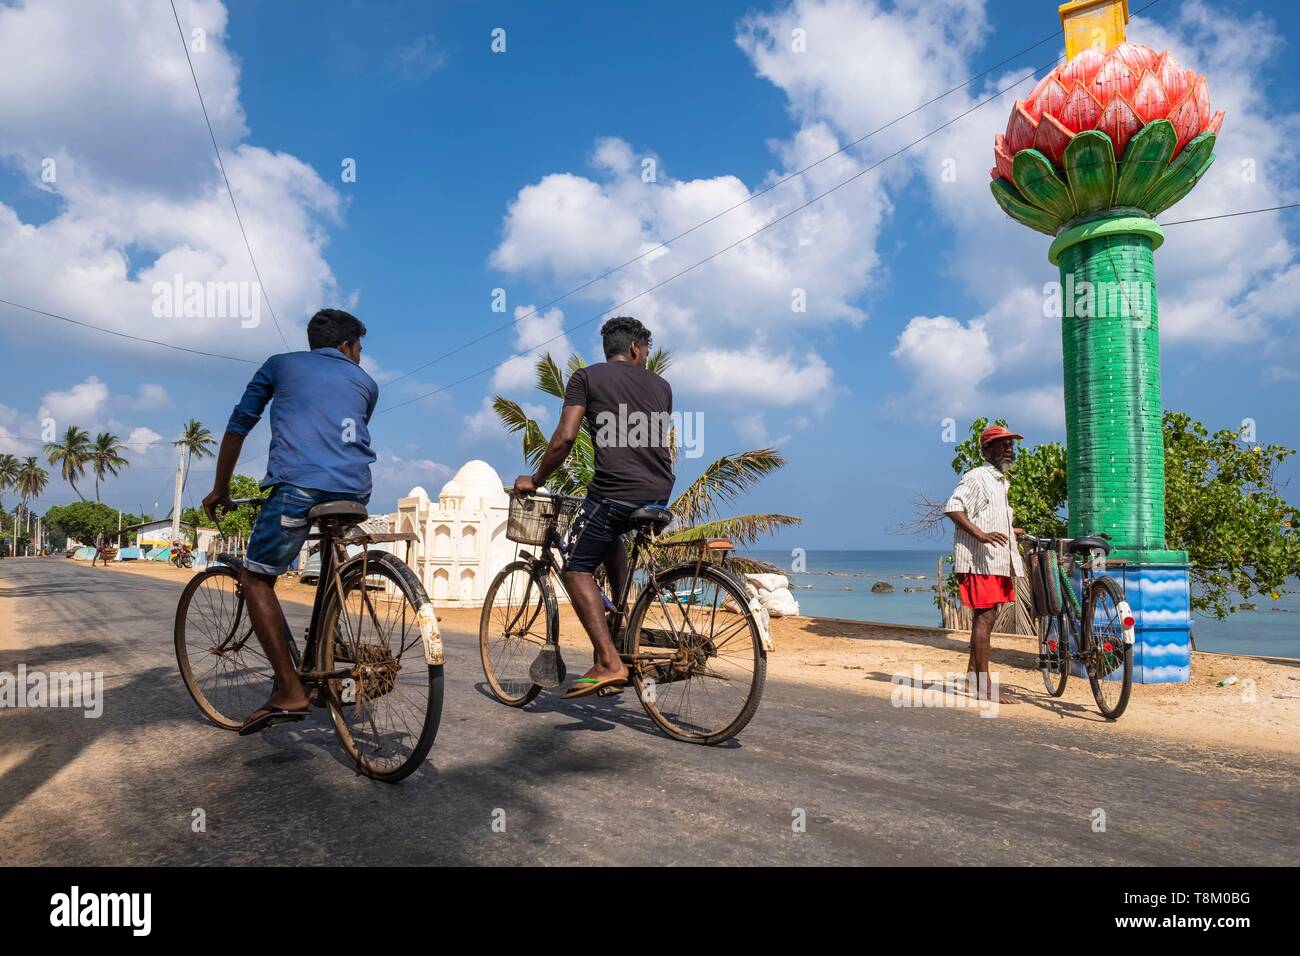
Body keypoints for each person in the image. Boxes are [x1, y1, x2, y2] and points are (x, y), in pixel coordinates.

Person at [203, 308, 378, 735]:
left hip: (298, 488)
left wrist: (220, 488)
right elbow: (342, 439)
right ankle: (324, 648)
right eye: (359, 349)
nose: (359, 357)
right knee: (329, 555)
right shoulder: (366, 384)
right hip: (355, 491)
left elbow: (239, 425)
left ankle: (289, 690)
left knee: (258, 578)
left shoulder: (279, 365)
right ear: (346, 346)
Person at [514, 316, 674, 699]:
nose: (647, 358)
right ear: (636, 349)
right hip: (658, 491)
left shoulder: (586, 378)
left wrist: (535, 480)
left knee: (576, 568)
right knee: (609, 536)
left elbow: (565, 437)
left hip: (614, 492)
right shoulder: (663, 387)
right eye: (647, 351)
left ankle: (607, 661)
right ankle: (620, 630)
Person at [944, 424, 1026, 704]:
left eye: (1010, 444)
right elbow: (953, 507)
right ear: (986, 450)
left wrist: (1009, 529)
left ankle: (971, 676)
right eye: (1001, 444)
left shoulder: (1000, 480)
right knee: (985, 618)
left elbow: (986, 514)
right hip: (981, 561)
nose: (1008, 448)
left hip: (998, 560)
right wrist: (980, 535)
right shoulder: (977, 476)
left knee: (986, 617)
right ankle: (983, 685)